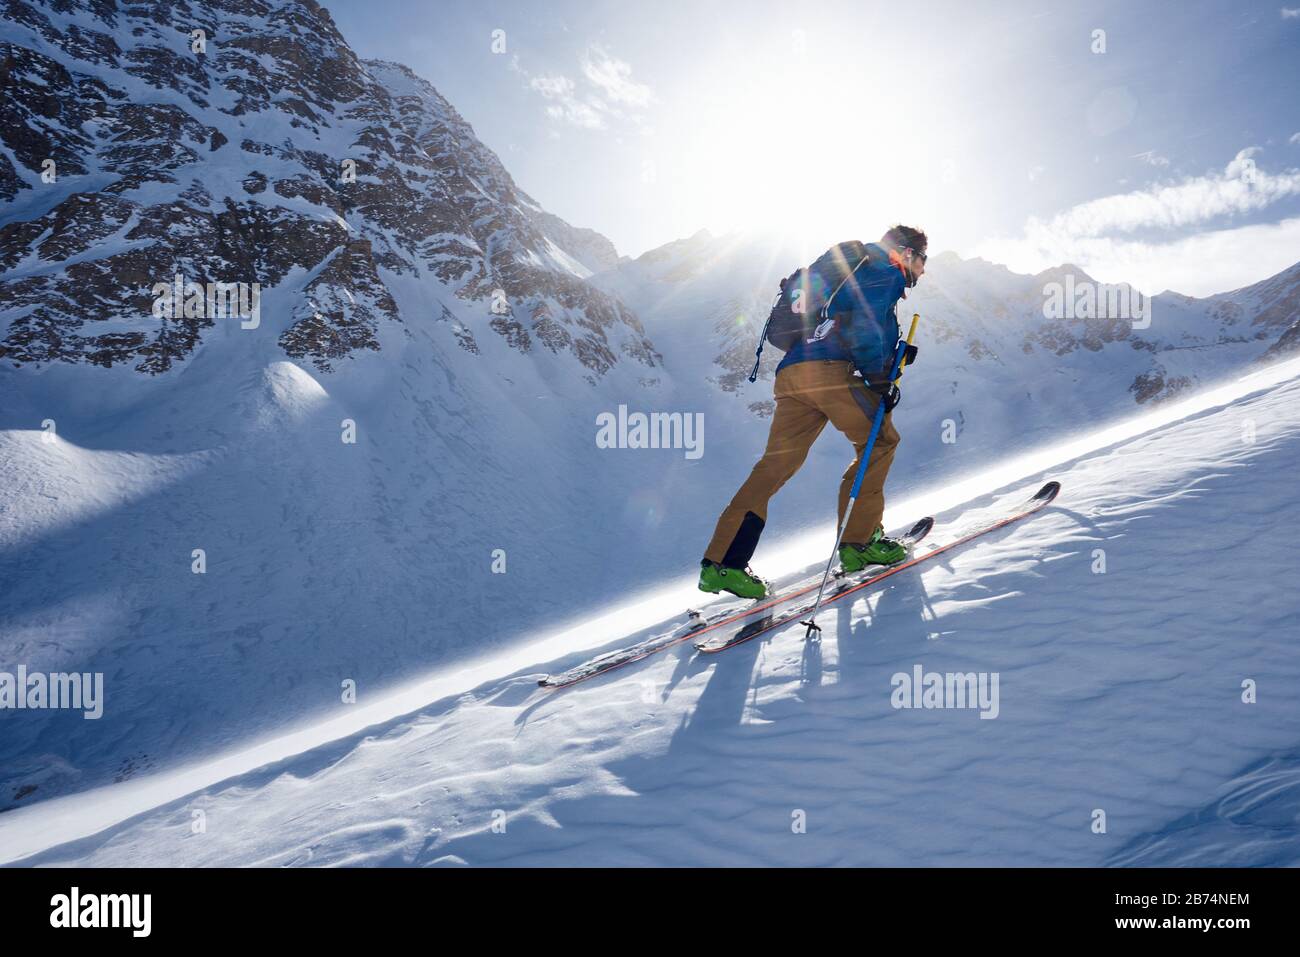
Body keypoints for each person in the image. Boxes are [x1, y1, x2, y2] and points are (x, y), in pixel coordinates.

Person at [698, 225, 929, 599]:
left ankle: (722, 564)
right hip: (829, 372)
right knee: (881, 441)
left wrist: (893, 359)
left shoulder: (853, 266)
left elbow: (847, 322)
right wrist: (878, 378)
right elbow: (866, 326)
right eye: (922, 259)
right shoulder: (884, 270)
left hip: (793, 374)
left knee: (775, 466)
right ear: (905, 252)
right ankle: (859, 544)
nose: (923, 269)